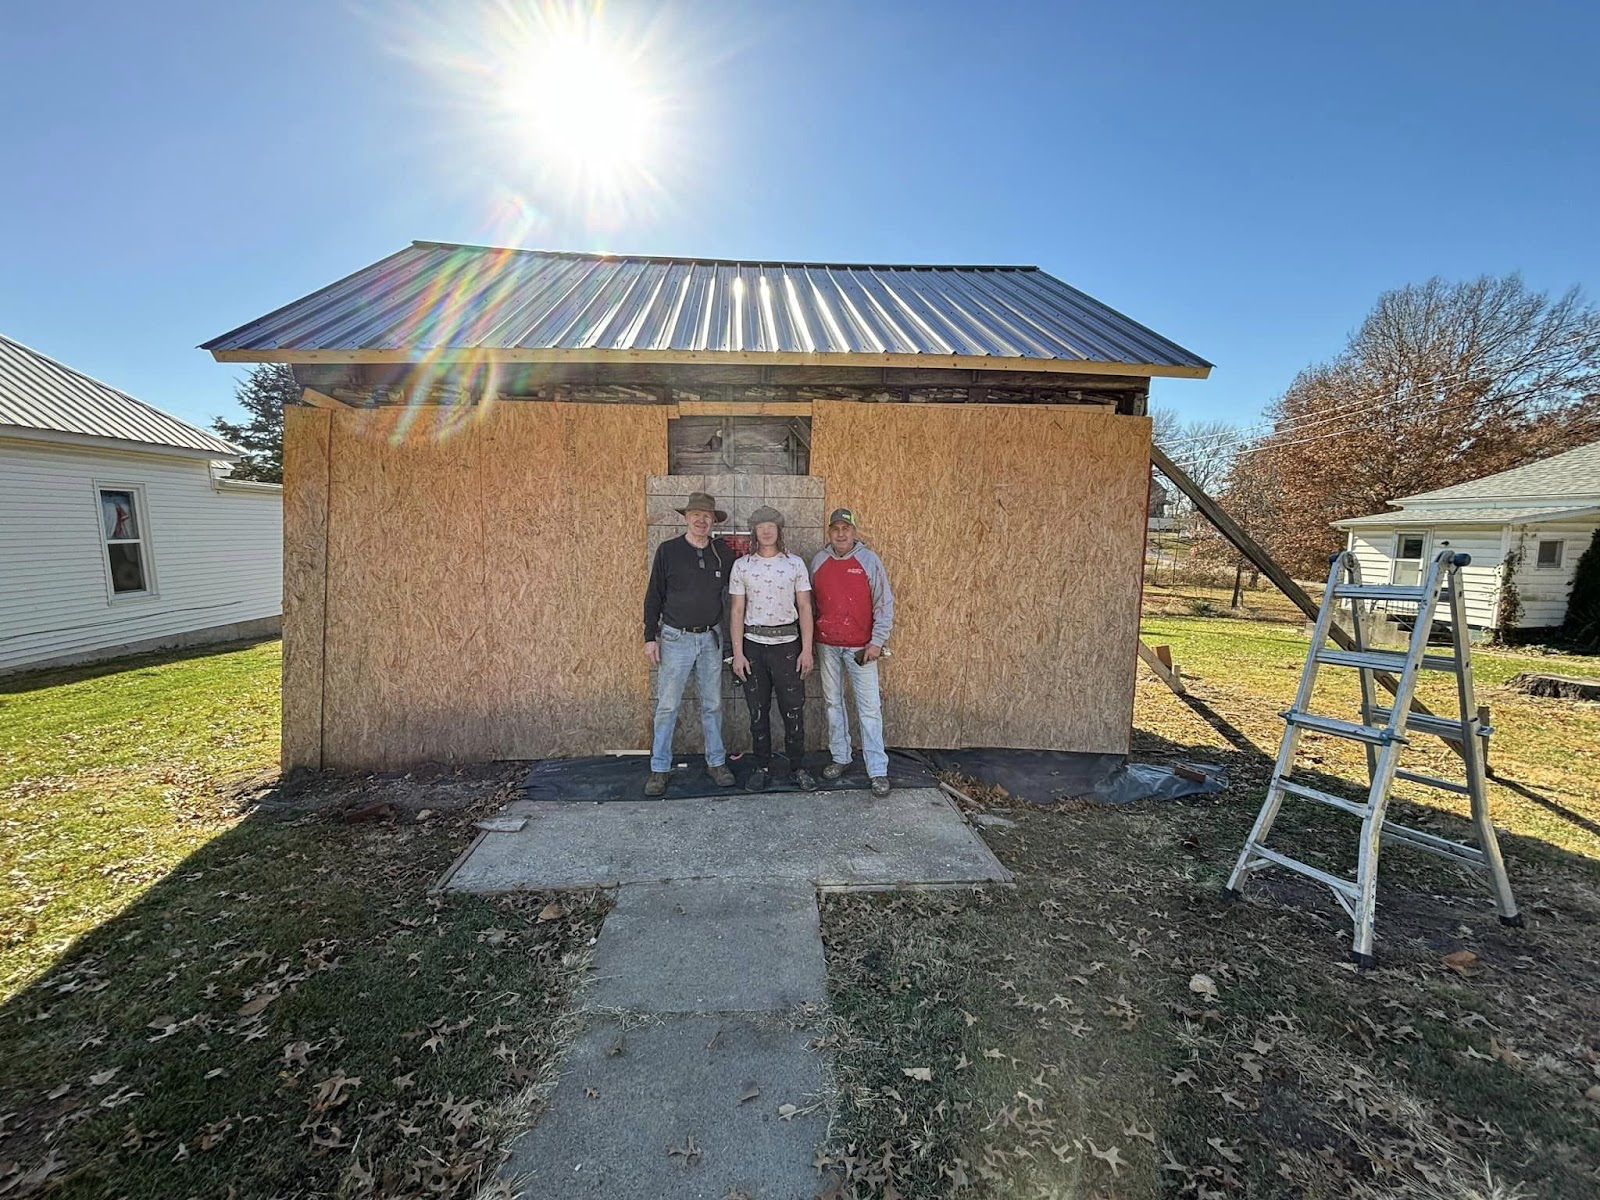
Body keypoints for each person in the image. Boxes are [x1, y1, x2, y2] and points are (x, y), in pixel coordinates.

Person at [643, 492, 736, 797]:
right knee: (668, 706)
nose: (701, 520)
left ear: (713, 521)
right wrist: (649, 637)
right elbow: (654, 594)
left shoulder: (722, 553)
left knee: (713, 704)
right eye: (696, 514)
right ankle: (659, 768)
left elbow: (740, 590)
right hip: (675, 638)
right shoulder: (669, 551)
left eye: (707, 516)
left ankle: (716, 762)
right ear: (686, 518)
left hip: (711, 638)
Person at [729, 506, 817, 792]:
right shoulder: (742, 566)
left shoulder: (794, 564)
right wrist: (738, 653)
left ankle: (797, 766)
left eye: (772, 525)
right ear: (754, 531)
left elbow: (805, 607)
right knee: (758, 710)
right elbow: (737, 610)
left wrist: (807, 650)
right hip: (754, 647)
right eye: (760, 526)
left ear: (780, 531)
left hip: (788, 647)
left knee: (793, 710)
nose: (766, 530)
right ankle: (761, 765)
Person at [809, 508, 895, 798]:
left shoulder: (869, 561)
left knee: (868, 708)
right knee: (834, 703)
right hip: (827, 645)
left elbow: (884, 603)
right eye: (836, 529)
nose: (841, 534)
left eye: (846, 528)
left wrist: (876, 641)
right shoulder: (819, 561)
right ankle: (841, 757)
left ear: (854, 532)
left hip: (861, 648)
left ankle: (877, 770)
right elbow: (809, 605)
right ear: (829, 533)